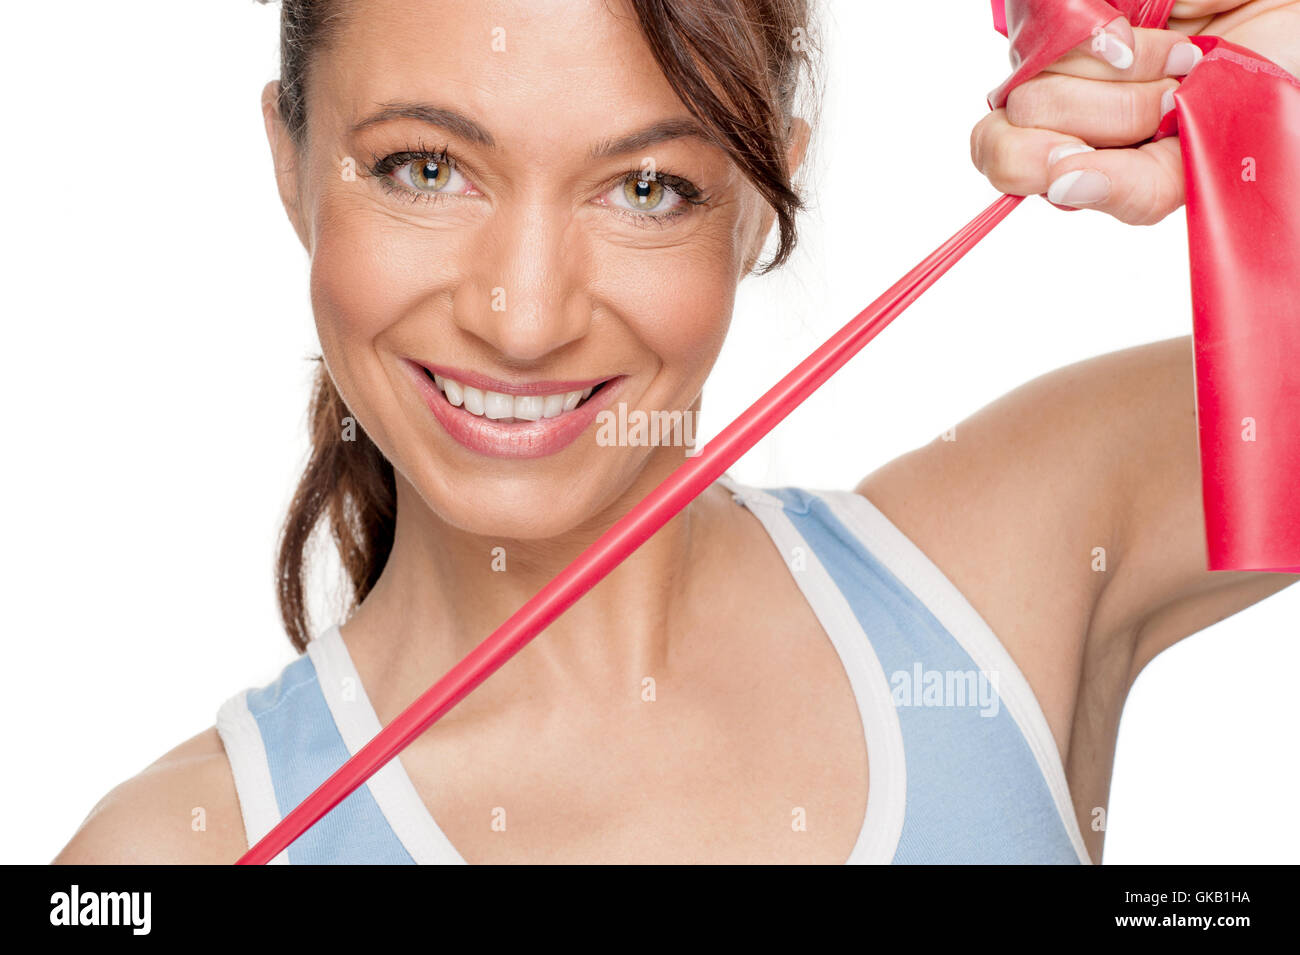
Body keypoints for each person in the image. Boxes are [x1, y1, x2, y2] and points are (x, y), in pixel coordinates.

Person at [55, 0, 1300, 864]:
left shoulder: (1020, 558)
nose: (525, 316)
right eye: (423, 168)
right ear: (291, 160)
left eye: (645, 187)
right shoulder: (174, 857)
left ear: (758, 202)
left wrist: (1274, 69)